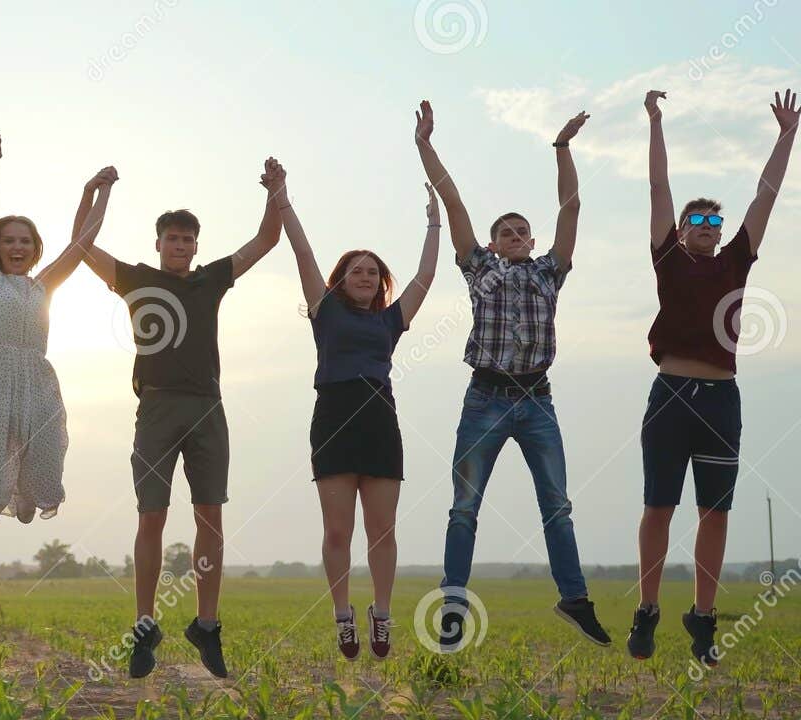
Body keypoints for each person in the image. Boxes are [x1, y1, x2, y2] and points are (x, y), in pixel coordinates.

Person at [413, 99, 611, 651]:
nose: (518, 236)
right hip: (485, 399)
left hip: (538, 400)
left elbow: (571, 208)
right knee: (464, 508)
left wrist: (563, 148)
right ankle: (453, 607)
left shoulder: (550, 271)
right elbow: (453, 202)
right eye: (508, 232)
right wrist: (426, 145)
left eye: (524, 231)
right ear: (495, 243)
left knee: (558, 505)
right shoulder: (479, 268)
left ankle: (574, 599)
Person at [81, 162, 282, 678]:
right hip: (156, 406)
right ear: (158, 244)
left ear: (196, 247)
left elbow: (266, 240)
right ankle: (145, 626)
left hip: (207, 407)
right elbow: (81, 247)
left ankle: (207, 626)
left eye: (188, 240)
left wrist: (275, 192)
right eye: (173, 238)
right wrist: (94, 193)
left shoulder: (211, 279)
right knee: (152, 516)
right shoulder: (135, 279)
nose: (181, 246)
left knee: (210, 516)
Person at [629, 88, 798, 667]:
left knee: (715, 512)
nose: (707, 225)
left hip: (722, 399)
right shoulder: (669, 259)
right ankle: (647, 610)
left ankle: (702, 617)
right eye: (697, 219)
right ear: (679, 231)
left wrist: (786, 135)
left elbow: (767, 195)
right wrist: (655, 122)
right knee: (658, 507)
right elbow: (658, 189)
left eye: (713, 220)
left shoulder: (735, 259)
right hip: (670, 394)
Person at [268, 158, 440, 660]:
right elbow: (301, 250)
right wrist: (281, 193)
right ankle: (343, 615)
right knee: (338, 530)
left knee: (382, 529)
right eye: (356, 270)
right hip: (334, 418)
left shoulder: (392, 320)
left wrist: (434, 222)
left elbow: (426, 275)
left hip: (379, 421)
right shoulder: (325, 309)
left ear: (380, 281)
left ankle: (381, 615)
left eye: (373, 271)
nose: (365, 276)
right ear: (341, 279)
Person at [0, 156, 118, 525]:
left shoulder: (44, 284)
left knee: (44, 457)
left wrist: (97, 192)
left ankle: (27, 491)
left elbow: (84, 242)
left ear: (35, 248)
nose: (17, 247)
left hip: (37, 381)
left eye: (25, 241)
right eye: (9, 241)